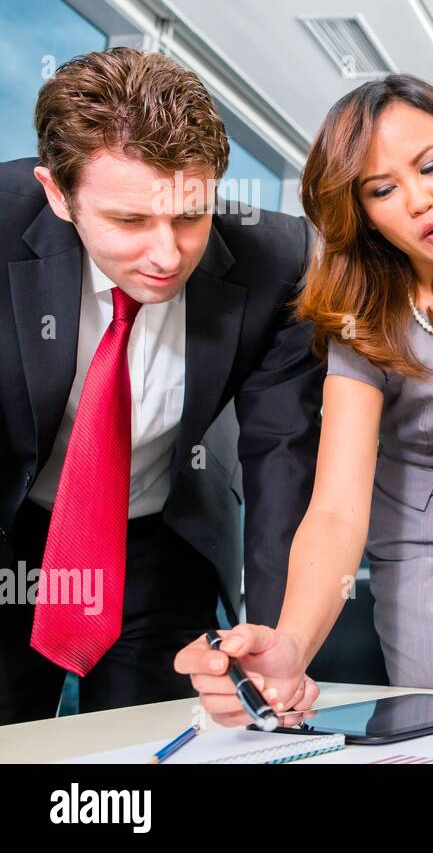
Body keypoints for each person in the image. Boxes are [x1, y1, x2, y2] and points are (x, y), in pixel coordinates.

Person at [174, 74, 433, 725]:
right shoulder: (365, 325)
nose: (421, 200)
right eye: (383, 190)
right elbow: (336, 509)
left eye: (431, 165)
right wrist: (293, 645)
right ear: (362, 212)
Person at [0, 47, 322, 723]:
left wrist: (275, 636)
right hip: (13, 531)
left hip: (158, 543)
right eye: (129, 222)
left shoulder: (275, 260)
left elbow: (281, 458)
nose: (167, 255)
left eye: (189, 215)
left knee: (140, 750)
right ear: (57, 194)